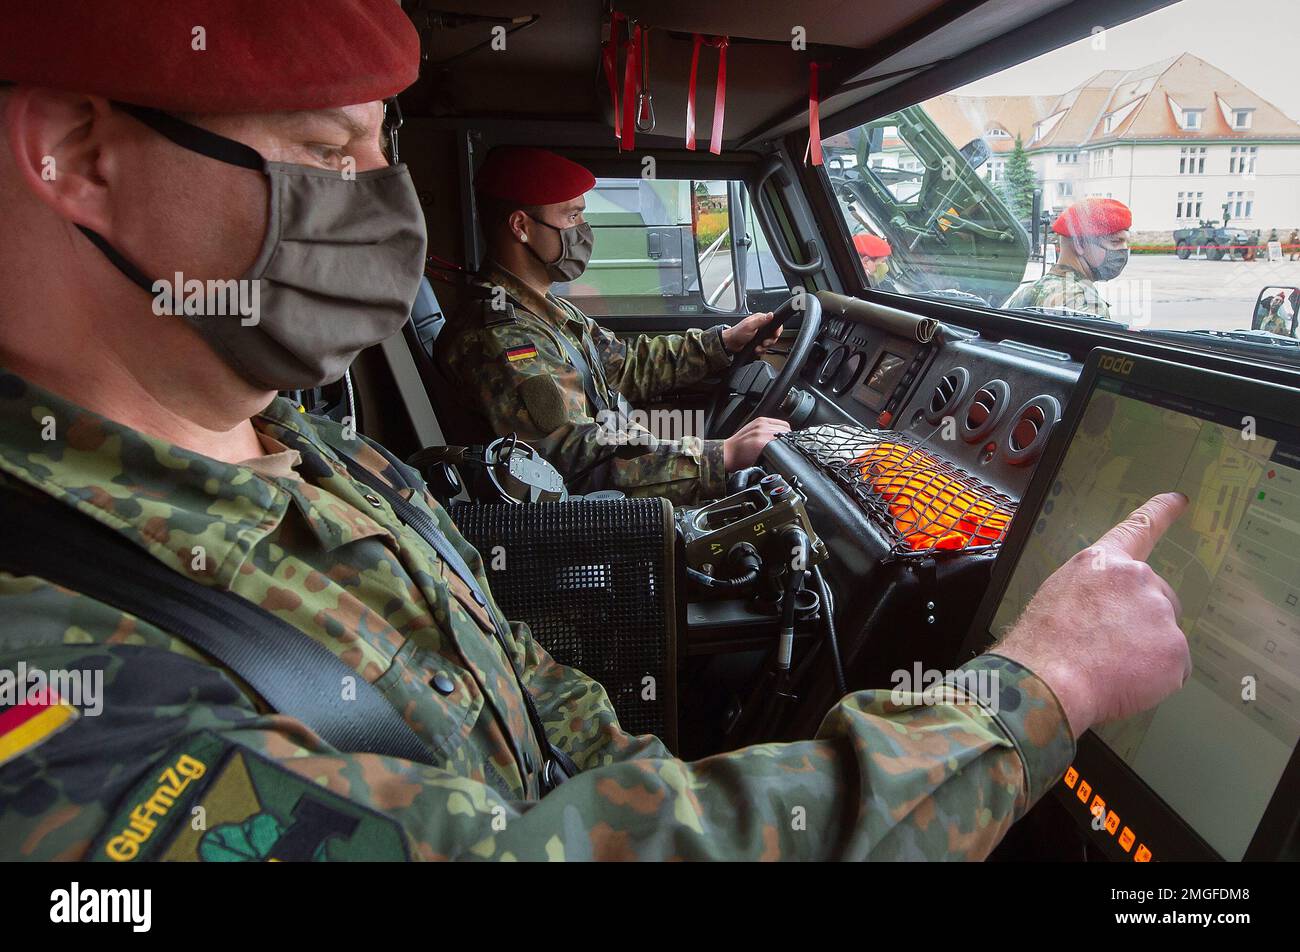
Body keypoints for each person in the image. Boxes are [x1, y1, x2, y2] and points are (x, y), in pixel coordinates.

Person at [0, 2, 1192, 862]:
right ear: (73, 153)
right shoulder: (53, 672)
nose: (379, 200)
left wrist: (670, 784)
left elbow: (519, 683)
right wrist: (1039, 687)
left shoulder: (307, 447)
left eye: (381, 149)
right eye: (324, 154)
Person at [437, 147, 789, 505]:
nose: (583, 231)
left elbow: (624, 364)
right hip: (576, 515)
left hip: (610, 468)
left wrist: (724, 342)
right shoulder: (501, 339)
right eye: (572, 216)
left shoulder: (548, 309)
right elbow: (573, 456)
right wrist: (721, 457)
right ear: (521, 226)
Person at [1004, 198, 1132, 320]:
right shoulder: (1086, 305)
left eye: (1127, 243)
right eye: (1116, 241)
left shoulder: (1027, 292)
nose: (1124, 250)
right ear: (1080, 243)